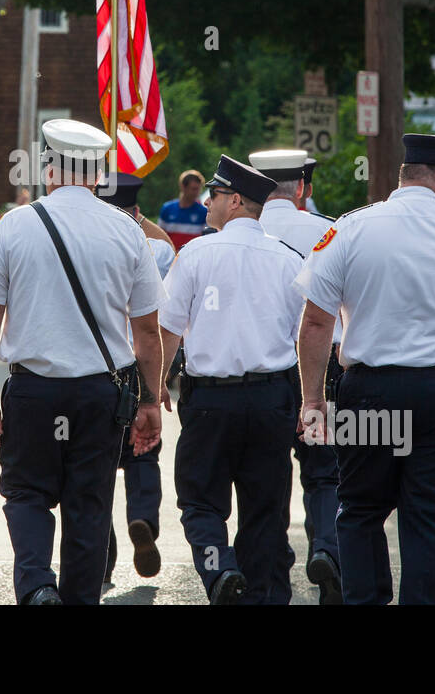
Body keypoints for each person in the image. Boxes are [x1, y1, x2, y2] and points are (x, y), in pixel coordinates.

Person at [294, 133, 435, 605]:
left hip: (369, 391)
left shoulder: (351, 228)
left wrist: (312, 399)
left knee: (359, 508)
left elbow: (316, 321)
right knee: (432, 515)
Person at [0, 119, 165, 605]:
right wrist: (152, 400)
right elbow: (146, 332)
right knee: (90, 505)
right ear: (99, 174)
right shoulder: (126, 231)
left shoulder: (14, 225)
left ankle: (36, 586)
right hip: (101, 393)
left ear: (49, 169)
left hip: (34, 391)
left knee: (27, 494)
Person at [159, 155, 304, 604]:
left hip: (210, 402)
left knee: (200, 503)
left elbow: (166, 328)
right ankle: (257, 596)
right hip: (272, 399)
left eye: (215, 195)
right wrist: (308, 399)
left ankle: (218, 568)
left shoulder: (197, 254)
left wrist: (155, 385)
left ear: (236, 200)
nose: (206, 201)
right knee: (264, 512)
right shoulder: (287, 259)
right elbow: (307, 334)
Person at [250, 147, 342, 604]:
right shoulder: (328, 230)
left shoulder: (238, 232)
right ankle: (326, 547)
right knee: (325, 474)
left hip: (261, 372)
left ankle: (274, 574)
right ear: (302, 186)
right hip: (325, 365)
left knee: (266, 481)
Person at [95, 171, 174, 584]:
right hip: (139, 363)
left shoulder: (89, 244)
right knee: (144, 452)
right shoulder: (152, 249)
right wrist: (137, 219)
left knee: (96, 465)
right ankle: (142, 517)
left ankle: (101, 560)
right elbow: (168, 245)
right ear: (137, 208)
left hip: (96, 366)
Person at [158, 169, 209, 251]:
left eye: (199, 189)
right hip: (171, 258)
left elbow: (205, 240)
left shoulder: (204, 212)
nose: (197, 193)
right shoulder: (167, 209)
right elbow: (159, 237)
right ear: (183, 187)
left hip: (193, 258)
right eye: (193, 189)